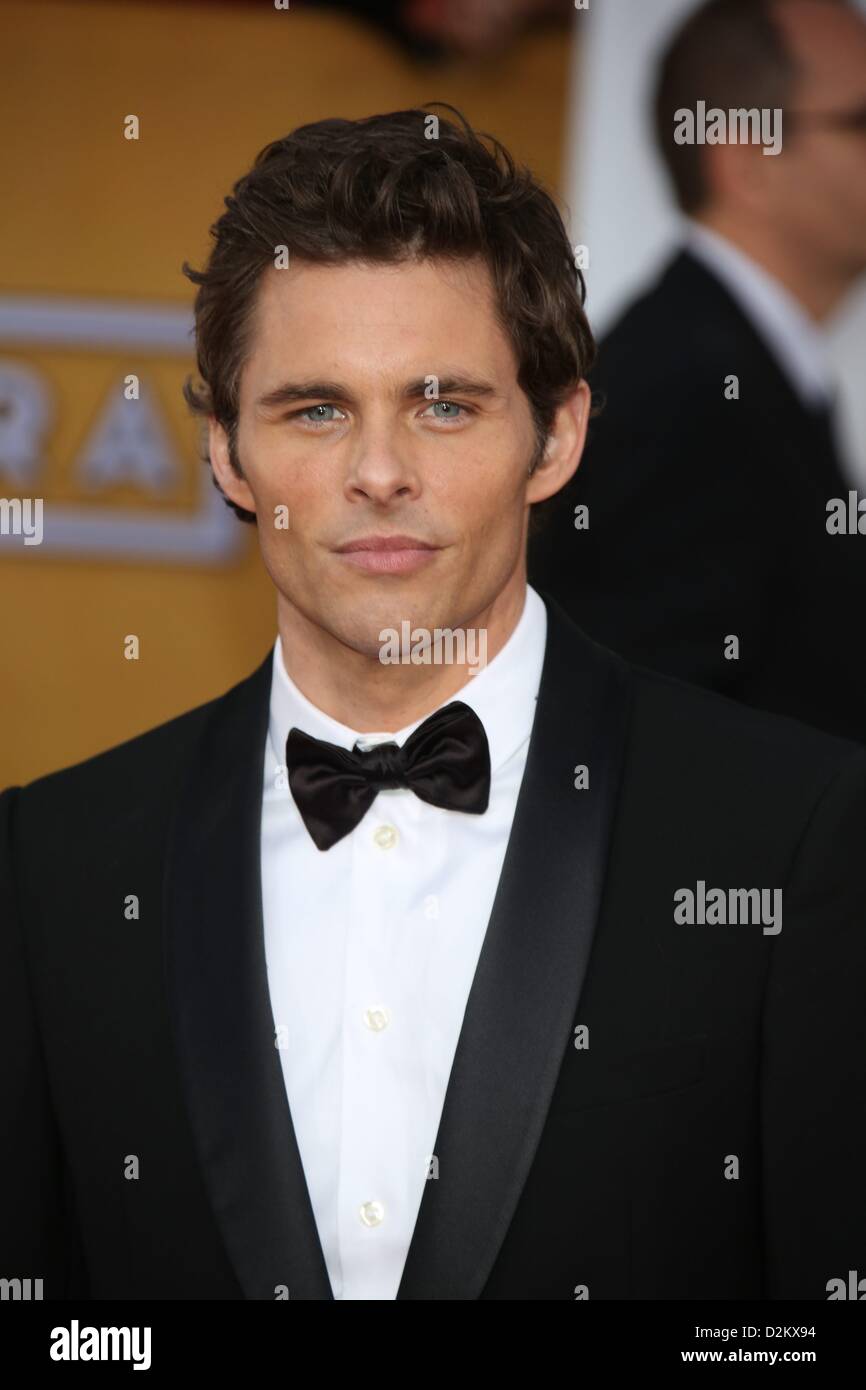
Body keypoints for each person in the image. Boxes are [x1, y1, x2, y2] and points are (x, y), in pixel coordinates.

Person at [1, 105, 864, 1301]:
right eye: (314, 408)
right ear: (224, 454)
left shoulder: (791, 830)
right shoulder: (55, 864)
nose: (377, 471)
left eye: (443, 404)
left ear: (555, 435)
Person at [529, 0, 866, 746]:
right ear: (746, 159)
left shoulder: (737, 368)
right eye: (861, 120)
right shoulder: (685, 393)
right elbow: (648, 755)